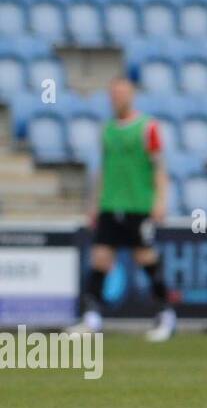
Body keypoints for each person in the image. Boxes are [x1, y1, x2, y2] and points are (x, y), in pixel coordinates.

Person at [68, 77, 177, 342]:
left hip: (138, 205)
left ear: (131, 96)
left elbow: (159, 167)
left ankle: (166, 314)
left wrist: (160, 201)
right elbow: (102, 169)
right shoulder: (106, 130)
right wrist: (94, 204)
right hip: (109, 204)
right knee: (101, 258)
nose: (117, 98)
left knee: (145, 258)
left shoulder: (147, 127)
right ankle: (91, 319)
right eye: (113, 93)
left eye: (122, 93)